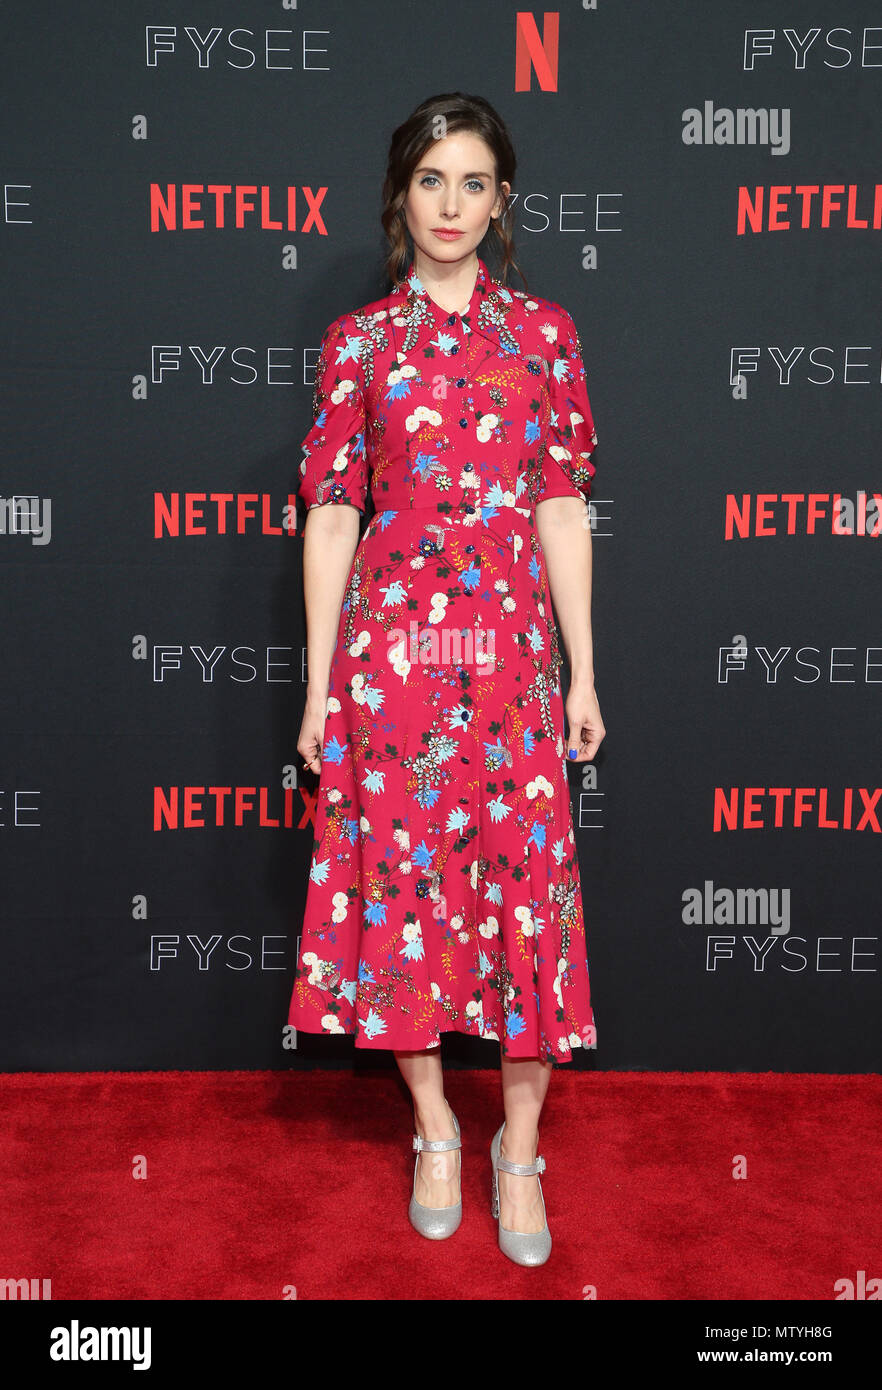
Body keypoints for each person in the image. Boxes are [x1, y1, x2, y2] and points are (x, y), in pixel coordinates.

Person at [288, 92, 606, 1267]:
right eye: (433, 181)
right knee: (404, 902)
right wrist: (322, 689)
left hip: (513, 658)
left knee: (528, 899)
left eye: (475, 183)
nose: (453, 206)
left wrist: (583, 670)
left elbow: (562, 501)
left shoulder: (546, 335)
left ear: (503, 199)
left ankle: (518, 1143)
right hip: (392, 665)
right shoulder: (360, 345)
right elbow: (332, 516)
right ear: (401, 195)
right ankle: (432, 1125)